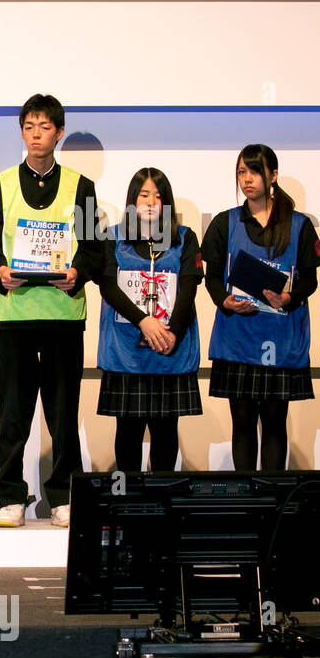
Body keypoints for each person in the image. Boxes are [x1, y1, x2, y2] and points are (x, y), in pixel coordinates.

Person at [0, 93, 105, 528]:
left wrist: (78, 272)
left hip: (62, 315)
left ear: (59, 132)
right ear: (21, 132)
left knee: (62, 413)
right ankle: (10, 497)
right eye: (30, 126)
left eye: (45, 127)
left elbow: (93, 249)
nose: (37, 134)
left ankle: (63, 495)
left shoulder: (80, 186)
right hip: (14, 314)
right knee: (12, 413)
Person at [204, 144, 317, 470]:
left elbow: (309, 279)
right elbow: (211, 277)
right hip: (237, 337)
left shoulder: (299, 225)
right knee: (241, 424)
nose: (247, 179)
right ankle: (246, 498)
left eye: (254, 171)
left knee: (274, 422)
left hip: (280, 339)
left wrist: (290, 297)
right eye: (241, 172)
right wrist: (222, 299)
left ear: (274, 176)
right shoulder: (226, 223)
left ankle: (273, 501)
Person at [95, 168, 202, 472]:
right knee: (127, 433)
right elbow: (108, 286)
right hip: (126, 351)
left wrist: (171, 334)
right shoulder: (113, 236)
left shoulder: (184, 237)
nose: (151, 201)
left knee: (166, 432)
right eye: (144, 195)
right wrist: (144, 322)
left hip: (171, 347)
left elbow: (190, 286)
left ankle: (161, 501)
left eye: (158, 195)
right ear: (132, 200)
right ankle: (127, 506)